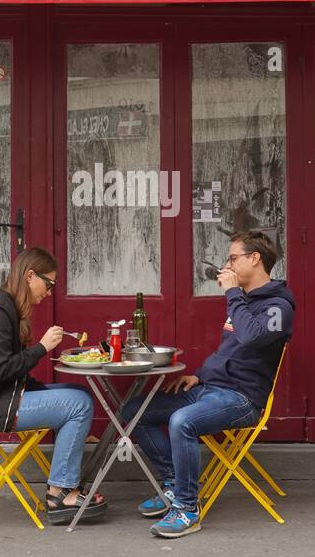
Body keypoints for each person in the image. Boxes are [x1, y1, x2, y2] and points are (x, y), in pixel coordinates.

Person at [125, 230, 294, 538]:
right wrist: (200, 374)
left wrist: (232, 294)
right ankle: (175, 484)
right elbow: (228, 351)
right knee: (135, 410)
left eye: (232, 258)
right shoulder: (243, 301)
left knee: (182, 422)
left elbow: (252, 337)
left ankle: (188, 510)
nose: (226, 265)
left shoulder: (278, 307)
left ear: (255, 259)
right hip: (210, 389)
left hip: (242, 400)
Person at [0, 246, 106, 525]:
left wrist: (40, 384)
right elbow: (1, 370)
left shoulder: (7, 308)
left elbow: (10, 371)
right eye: (48, 284)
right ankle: (60, 492)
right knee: (79, 404)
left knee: (80, 394)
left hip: (2, 397)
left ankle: (64, 478)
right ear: (29, 276)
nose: (49, 293)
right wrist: (41, 348)